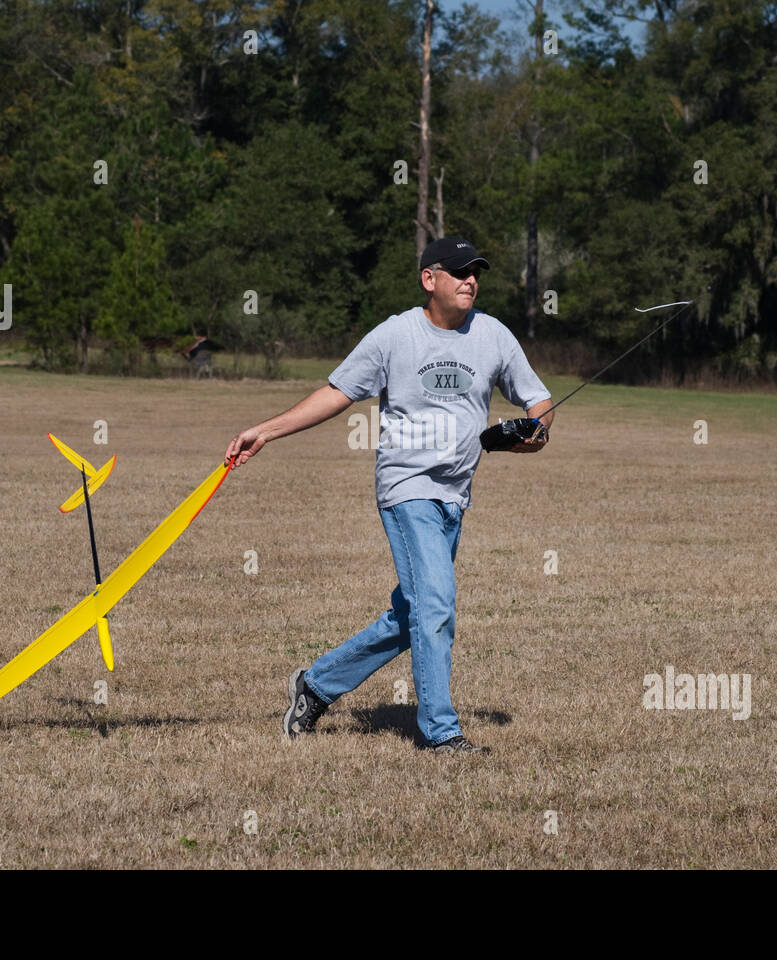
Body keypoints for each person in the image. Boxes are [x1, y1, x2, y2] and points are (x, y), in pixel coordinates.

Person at [225, 237, 554, 754]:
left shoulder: (493, 335)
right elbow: (337, 393)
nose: (471, 280)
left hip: (455, 494)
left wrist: (530, 433)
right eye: (460, 271)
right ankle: (441, 734)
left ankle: (315, 685)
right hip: (407, 488)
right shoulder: (396, 335)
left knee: (415, 614)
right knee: (437, 604)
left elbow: (539, 400)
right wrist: (266, 430)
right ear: (430, 279)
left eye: (477, 273)